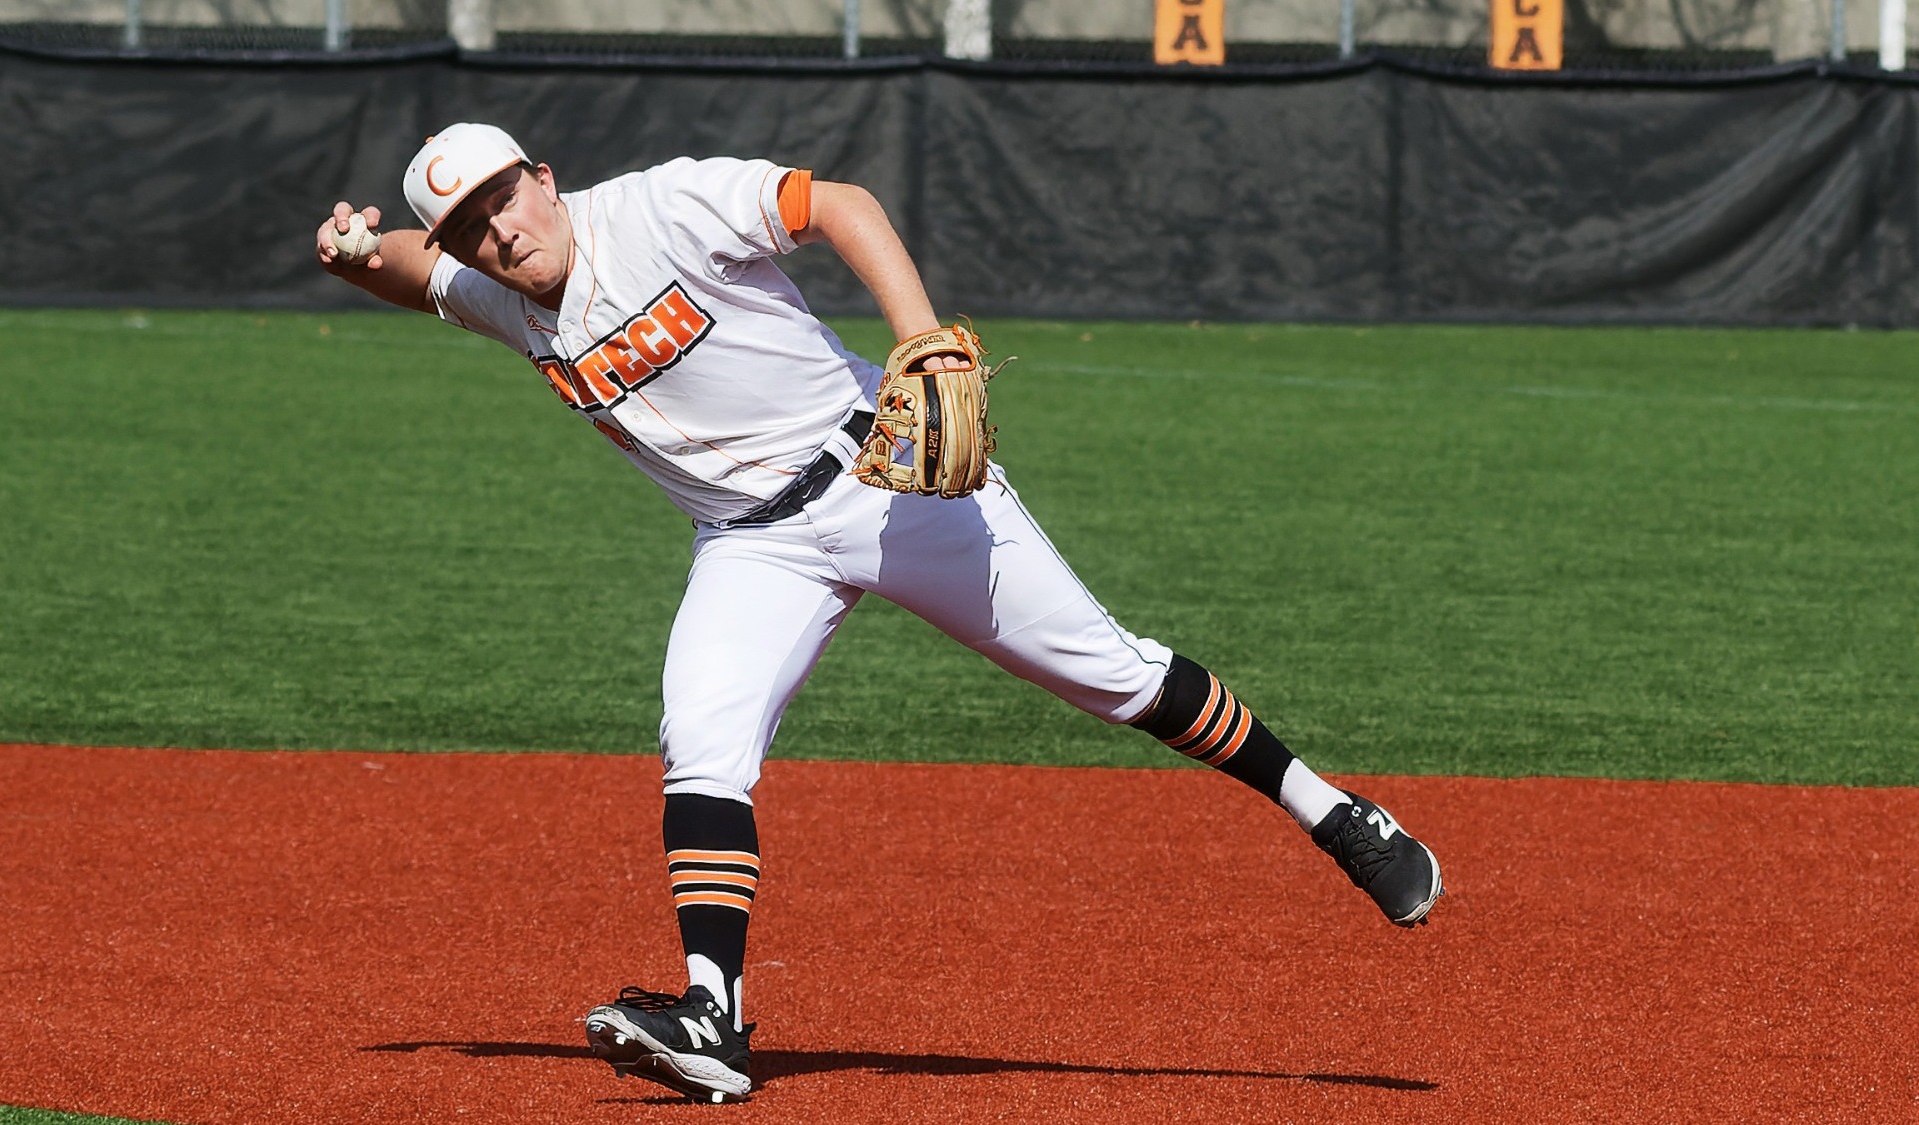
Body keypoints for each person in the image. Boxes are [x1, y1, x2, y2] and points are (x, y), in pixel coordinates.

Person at [315, 122, 1443, 1106]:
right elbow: (419, 278)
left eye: (502, 199)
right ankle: (713, 1019)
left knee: (1117, 677)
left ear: (543, 180)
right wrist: (363, 253)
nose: (498, 233)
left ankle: (1336, 814)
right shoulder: (505, 298)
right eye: (469, 225)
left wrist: (919, 341)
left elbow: (835, 205)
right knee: (701, 741)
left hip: (885, 479)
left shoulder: (661, 205)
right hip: (750, 547)